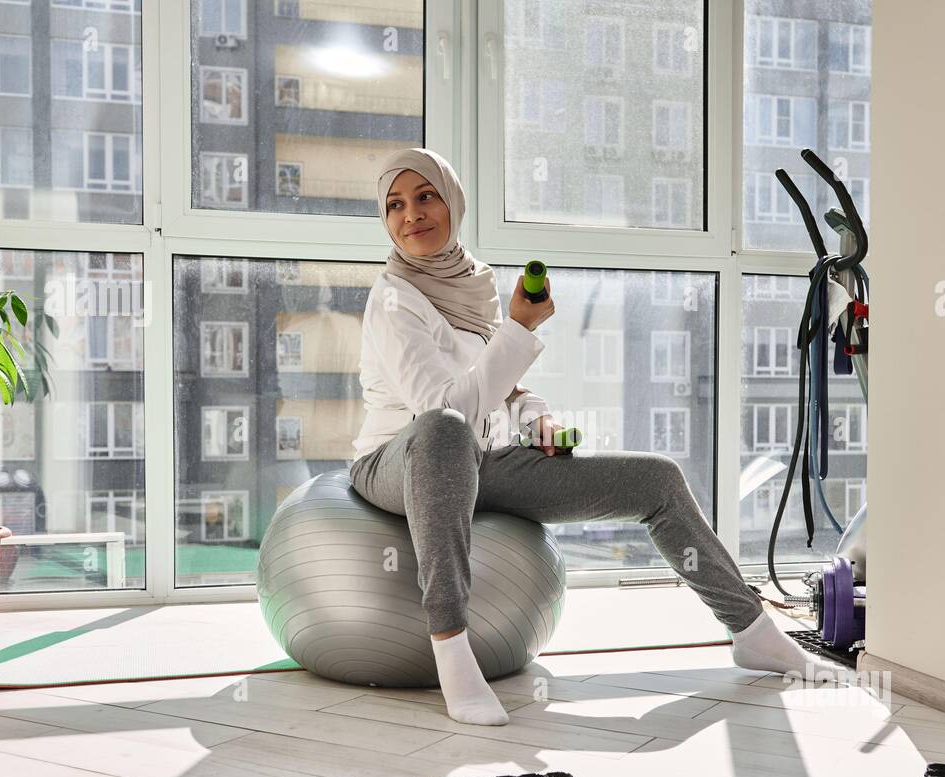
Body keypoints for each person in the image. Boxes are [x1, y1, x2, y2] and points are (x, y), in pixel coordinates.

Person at [348, 147, 849, 726]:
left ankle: (753, 630)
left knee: (656, 480)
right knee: (442, 431)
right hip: (399, 459)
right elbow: (443, 409)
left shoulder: (472, 284)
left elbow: (501, 389)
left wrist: (539, 420)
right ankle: (452, 651)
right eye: (395, 205)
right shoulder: (393, 300)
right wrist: (518, 329)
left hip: (476, 462)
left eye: (425, 195)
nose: (412, 213)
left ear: (452, 201)